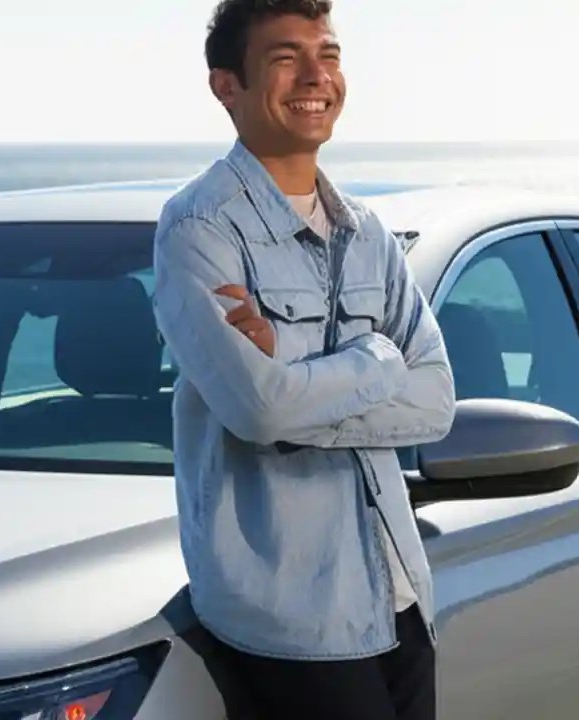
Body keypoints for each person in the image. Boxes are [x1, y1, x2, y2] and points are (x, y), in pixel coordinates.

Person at [151, 1, 456, 718]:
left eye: (330, 53)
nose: (317, 75)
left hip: (399, 592)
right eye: (285, 57)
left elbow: (437, 400)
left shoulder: (370, 233)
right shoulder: (200, 229)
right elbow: (257, 411)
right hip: (287, 615)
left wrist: (294, 383)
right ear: (225, 85)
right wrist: (377, 361)